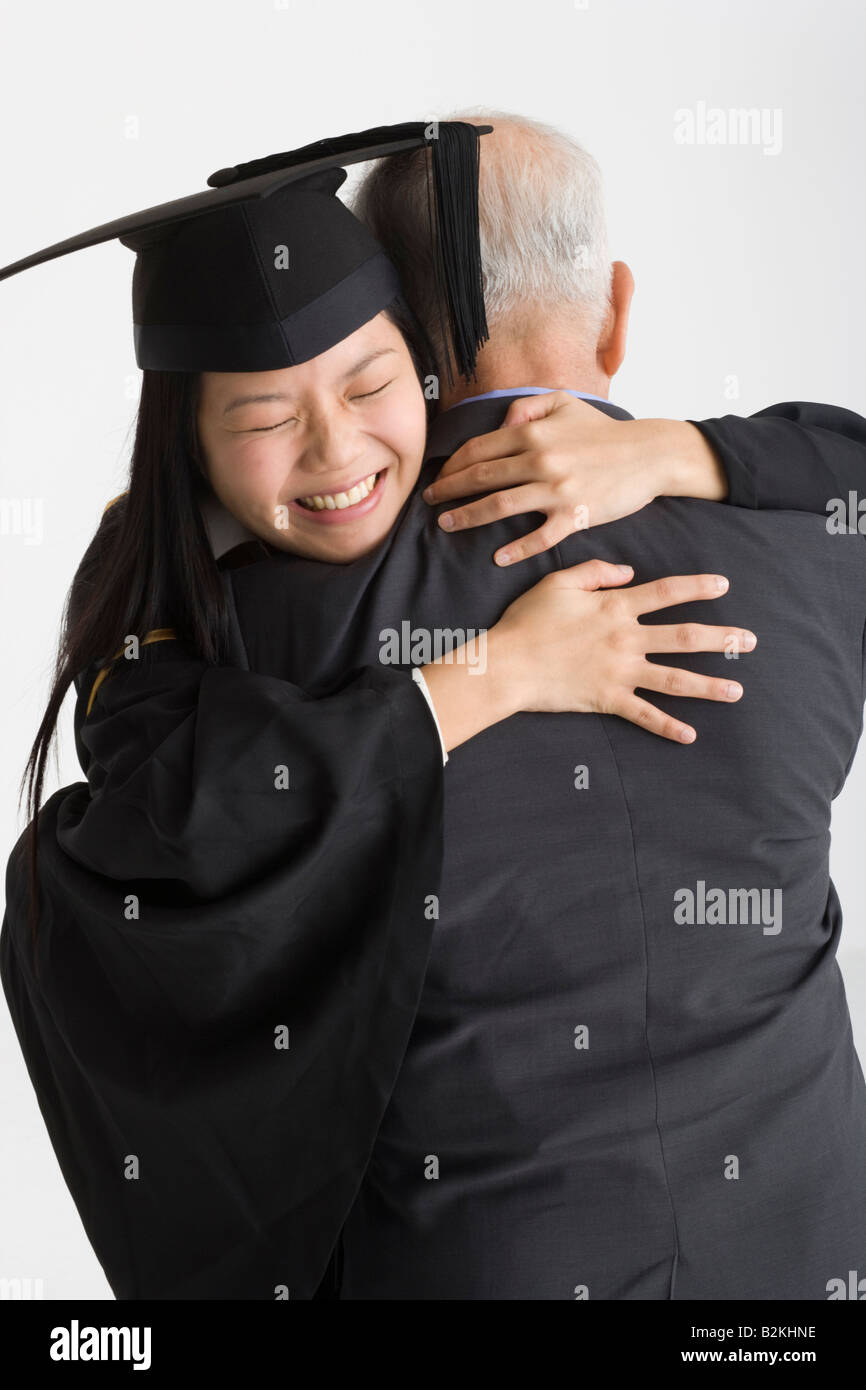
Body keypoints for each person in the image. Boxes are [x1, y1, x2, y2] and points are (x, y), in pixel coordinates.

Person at [0, 121, 764, 1301]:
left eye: (368, 384)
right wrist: (498, 673)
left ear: (426, 369)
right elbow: (182, 812)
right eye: (263, 420)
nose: (336, 449)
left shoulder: (489, 498)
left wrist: (678, 449)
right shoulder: (175, 605)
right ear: (188, 450)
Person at [231, 109, 866, 1300]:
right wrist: (702, 454)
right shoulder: (817, 544)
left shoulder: (279, 619)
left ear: (394, 341)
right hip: (809, 1256)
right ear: (616, 310)